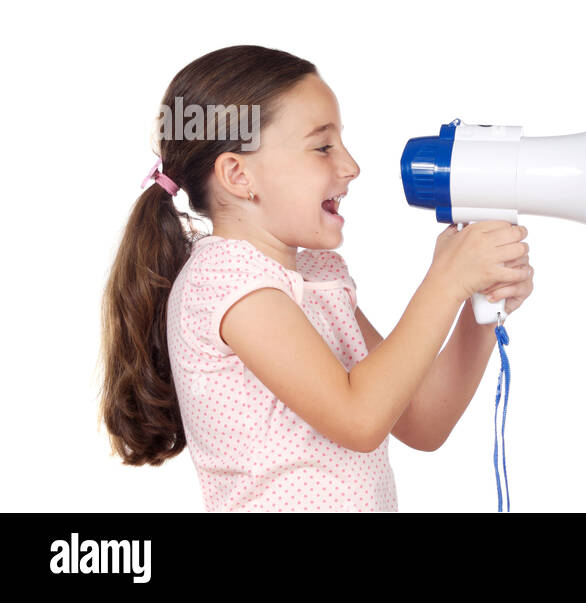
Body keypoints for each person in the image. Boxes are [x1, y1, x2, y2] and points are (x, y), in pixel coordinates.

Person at [100, 45, 533, 511]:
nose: (351, 166)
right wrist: (445, 281)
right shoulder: (226, 284)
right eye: (323, 146)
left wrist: (479, 306)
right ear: (238, 174)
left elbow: (422, 420)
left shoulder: (317, 279)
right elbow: (360, 418)